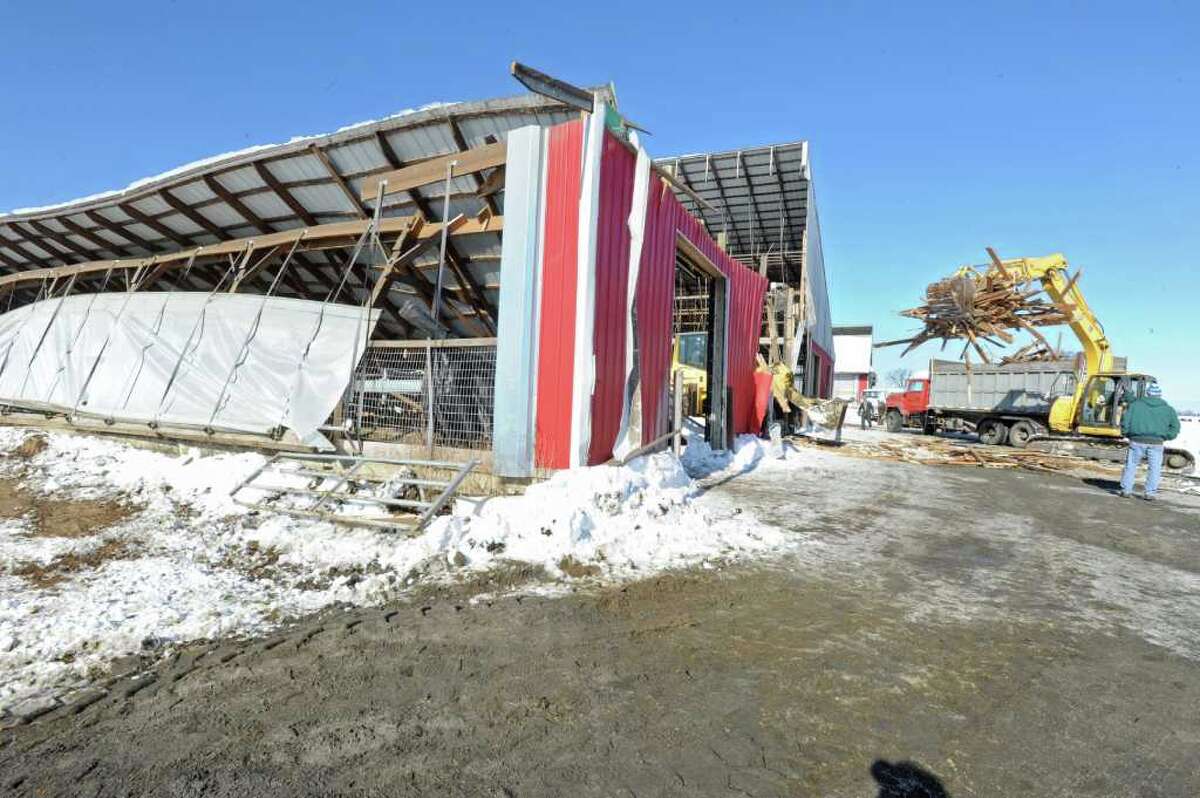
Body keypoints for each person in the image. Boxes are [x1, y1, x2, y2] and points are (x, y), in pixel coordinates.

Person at [1118, 382, 1180, 500]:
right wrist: (1166, 437)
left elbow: (1125, 421)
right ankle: (1150, 493)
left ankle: (1126, 490)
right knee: (1155, 468)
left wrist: (1127, 433)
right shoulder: (1168, 409)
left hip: (1136, 441)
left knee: (1131, 465)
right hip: (1156, 443)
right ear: (1159, 395)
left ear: (1148, 393)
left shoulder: (1136, 405)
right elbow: (1175, 427)